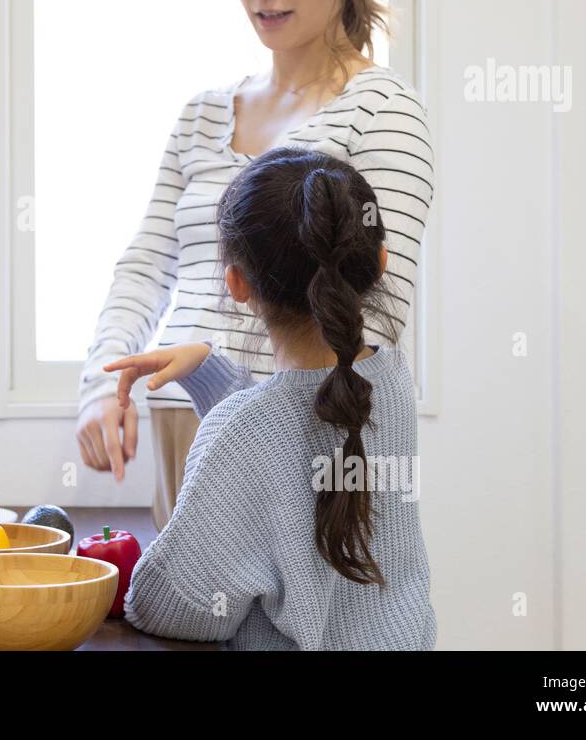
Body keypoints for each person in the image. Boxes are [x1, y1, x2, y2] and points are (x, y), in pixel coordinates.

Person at [75, 0, 435, 532]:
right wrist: (102, 384)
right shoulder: (205, 113)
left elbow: (376, 320)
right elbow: (148, 265)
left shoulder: (382, 110)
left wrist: (233, 398)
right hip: (184, 435)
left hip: (307, 443)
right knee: (184, 632)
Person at [103, 148, 436, 649]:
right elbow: (292, 436)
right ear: (380, 263)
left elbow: (175, 607)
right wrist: (211, 372)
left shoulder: (242, 432)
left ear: (236, 282)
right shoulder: (389, 380)